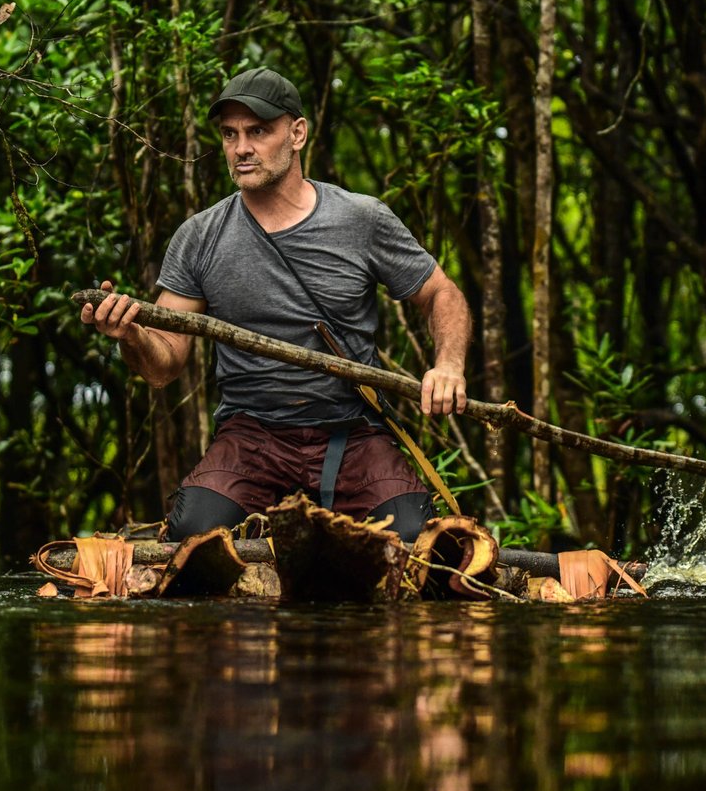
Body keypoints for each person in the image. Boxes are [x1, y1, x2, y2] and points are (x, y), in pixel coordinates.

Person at [81, 66, 472, 543]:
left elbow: (441, 293)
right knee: (194, 538)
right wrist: (131, 336)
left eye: (258, 131)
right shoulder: (200, 236)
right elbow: (164, 365)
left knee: (417, 543)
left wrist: (448, 365)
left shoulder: (361, 219)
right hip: (251, 436)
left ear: (297, 133)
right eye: (230, 134)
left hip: (352, 432)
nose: (241, 147)